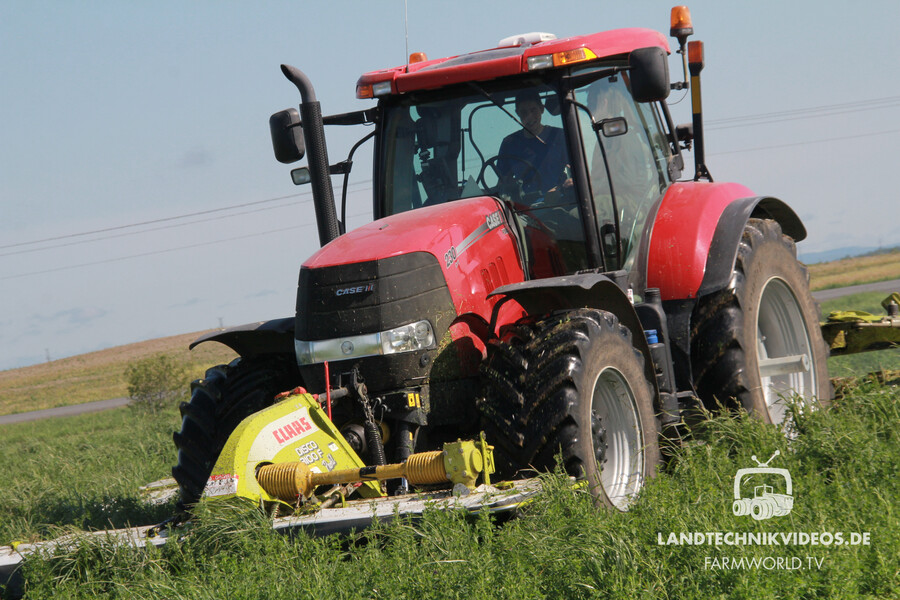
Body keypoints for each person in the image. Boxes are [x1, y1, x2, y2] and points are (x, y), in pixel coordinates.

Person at [497, 90, 571, 197]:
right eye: (524, 112)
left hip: (560, 200)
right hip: (523, 205)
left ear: (542, 109)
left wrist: (563, 187)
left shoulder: (559, 136)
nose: (529, 116)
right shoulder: (509, 143)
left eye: (533, 110)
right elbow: (503, 181)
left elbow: (576, 172)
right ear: (517, 113)